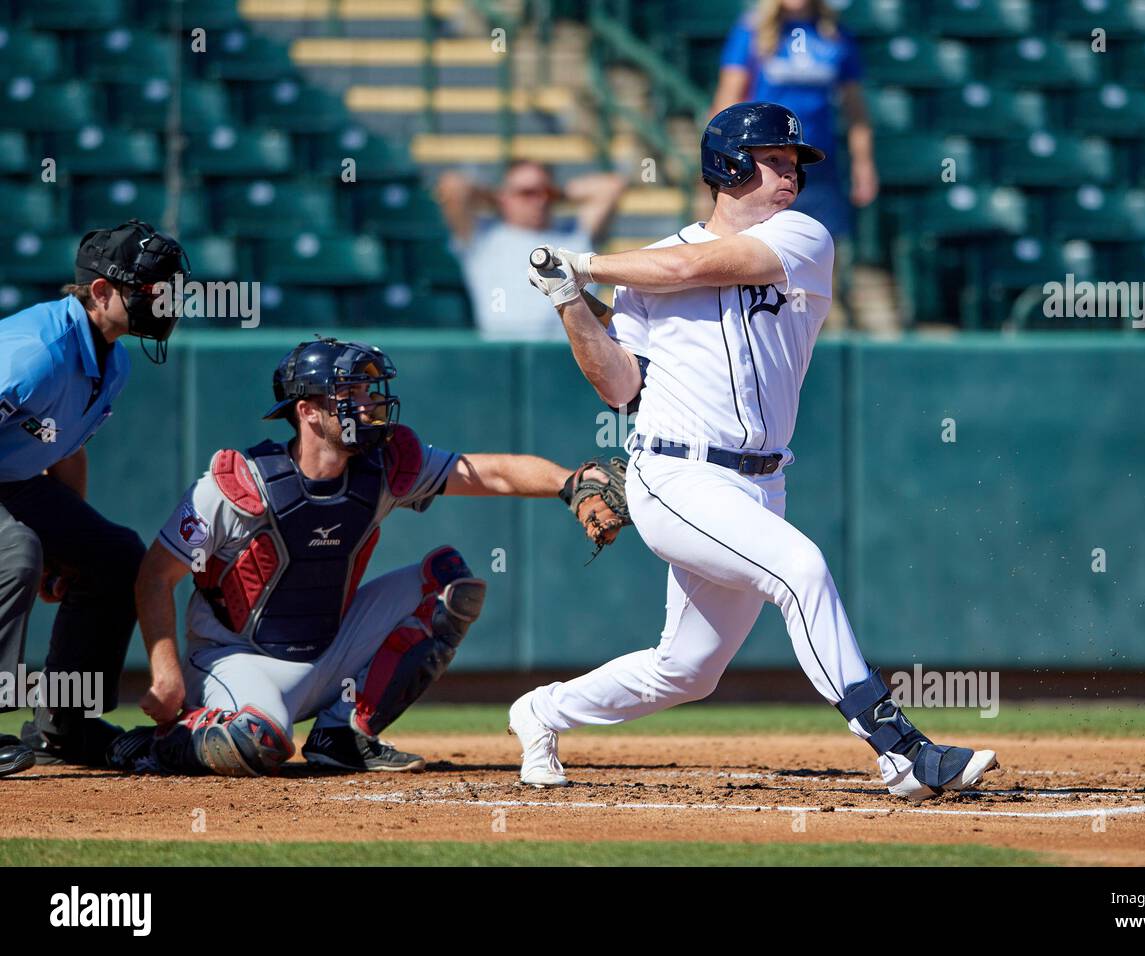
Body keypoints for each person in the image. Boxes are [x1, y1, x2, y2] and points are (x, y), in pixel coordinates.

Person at [510, 102, 998, 803]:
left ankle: (541, 712)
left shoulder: (802, 237)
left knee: (687, 672)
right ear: (728, 166)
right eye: (774, 160)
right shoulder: (644, 272)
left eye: (794, 162)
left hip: (762, 480)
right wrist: (569, 301)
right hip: (675, 474)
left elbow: (703, 263)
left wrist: (585, 262)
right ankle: (900, 752)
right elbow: (619, 385)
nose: (790, 173)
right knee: (800, 569)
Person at [109, 337, 627, 775]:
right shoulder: (238, 482)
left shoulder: (383, 465)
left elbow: (489, 471)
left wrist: (570, 483)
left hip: (329, 648)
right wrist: (165, 673)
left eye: (367, 391)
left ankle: (343, 735)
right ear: (308, 412)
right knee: (260, 742)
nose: (369, 403)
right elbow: (156, 575)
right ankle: (164, 744)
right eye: (350, 393)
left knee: (450, 582)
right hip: (237, 658)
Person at [0, 220, 188, 777]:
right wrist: (29, 545)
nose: (165, 302)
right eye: (151, 291)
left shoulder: (114, 360)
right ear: (102, 291)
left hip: (15, 481)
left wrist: (67, 546)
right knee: (14, 551)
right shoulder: (34, 353)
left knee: (114, 556)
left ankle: (65, 724)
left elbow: (66, 452)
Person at [712, 0, 876, 324]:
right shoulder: (752, 31)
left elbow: (855, 108)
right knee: (754, 263)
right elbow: (727, 99)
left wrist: (863, 162)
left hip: (818, 170)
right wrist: (721, 158)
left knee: (822, 268)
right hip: (761, 171)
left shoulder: (836, 36)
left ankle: (818, 347)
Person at [438, 161, 626, 339]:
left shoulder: (574, 232)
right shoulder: (483, 236)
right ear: (504, 196)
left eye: (547, 193)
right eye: (528, 193)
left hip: (575, 356)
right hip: (505, 357)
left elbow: (611, 186)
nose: (541, 200)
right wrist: (496, 196)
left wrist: (558, 192)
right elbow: (452, 187)